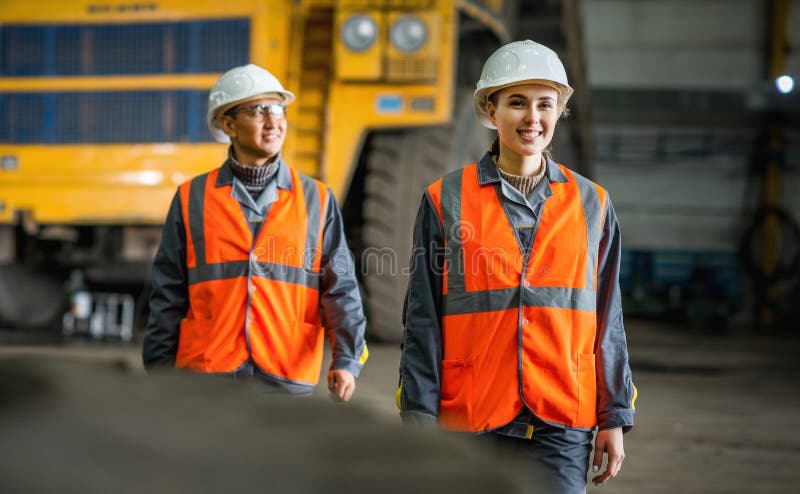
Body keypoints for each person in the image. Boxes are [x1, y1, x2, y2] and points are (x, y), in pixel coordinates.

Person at [397, 40, 637, 492]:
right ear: (491, 109)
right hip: (469, 413)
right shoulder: (444, 199)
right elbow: (422, 319)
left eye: (545, 104)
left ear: (559, 112)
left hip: (562, 419)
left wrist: (614, 416)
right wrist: (419, 413)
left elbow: (608, 319)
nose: (532, 118)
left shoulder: (594, 204)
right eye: (516, 103)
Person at [143, 64, 368, 401]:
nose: (273, 120)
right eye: (258, 110)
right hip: (207, 373)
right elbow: (168, 292)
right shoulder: (193, 198)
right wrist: (159, 369)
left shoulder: (316, 199)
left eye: (278, 109)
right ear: (228, 124)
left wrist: (347, 360)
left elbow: (341, 289)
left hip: (286, 371)